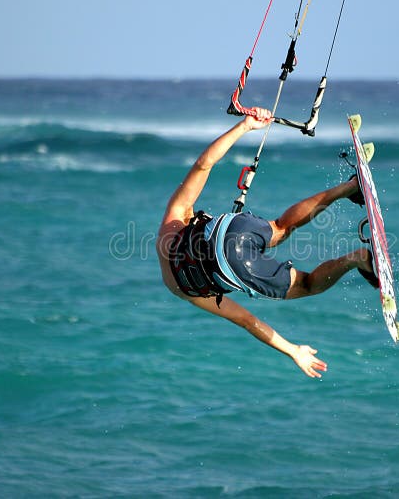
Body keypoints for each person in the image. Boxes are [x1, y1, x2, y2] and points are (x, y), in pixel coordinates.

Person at [157, 108, 377, 378]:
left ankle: (356, 259)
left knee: (307, 285)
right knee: (280, 227)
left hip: (233, 266)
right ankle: (349, 187)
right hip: (230, 228)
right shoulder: (174, 217)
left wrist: (293, 351)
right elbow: (204, 164)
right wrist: (245, 126)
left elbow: (247, 321)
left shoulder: (181, 289)